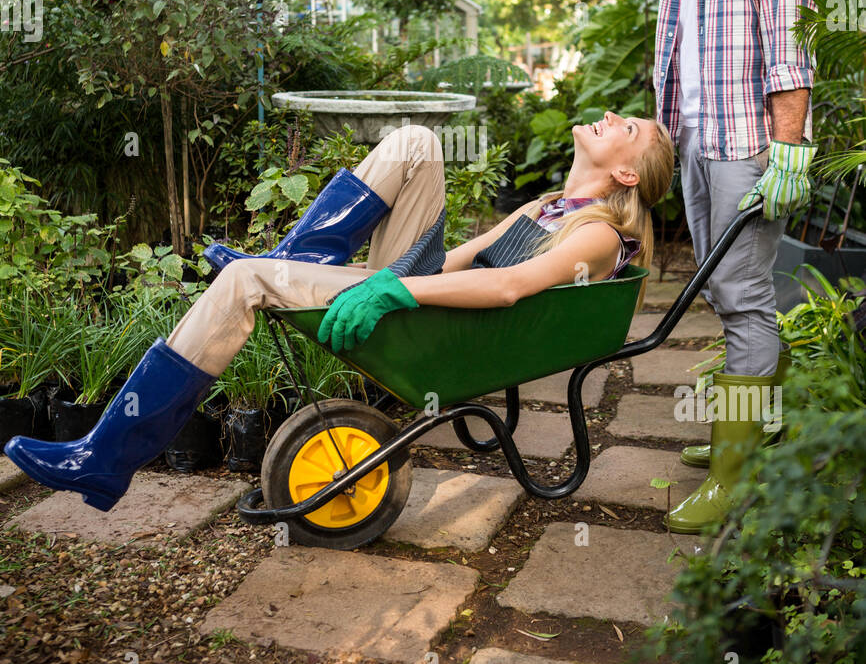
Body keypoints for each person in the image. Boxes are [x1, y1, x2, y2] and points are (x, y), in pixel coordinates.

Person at [4, 114, 674, 512]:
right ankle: (302, 260)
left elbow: (507, 289)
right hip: (437, 302)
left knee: (242, 281)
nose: (613, 120)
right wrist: (380, 280)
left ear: (626, 176)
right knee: (415, 141)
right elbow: (457, 263)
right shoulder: (543, 208)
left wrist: (392, 293)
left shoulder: (598, 233)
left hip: (458, 326)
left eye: (630, 128)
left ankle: (107, 455)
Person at [645, 0, 819, 534]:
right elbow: (681, 31)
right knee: (719, 291)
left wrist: (789, 147)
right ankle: (760, 421)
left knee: (746, 300)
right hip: (697, 132)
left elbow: (789, 35)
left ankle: (735, 473)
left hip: (752, 139)